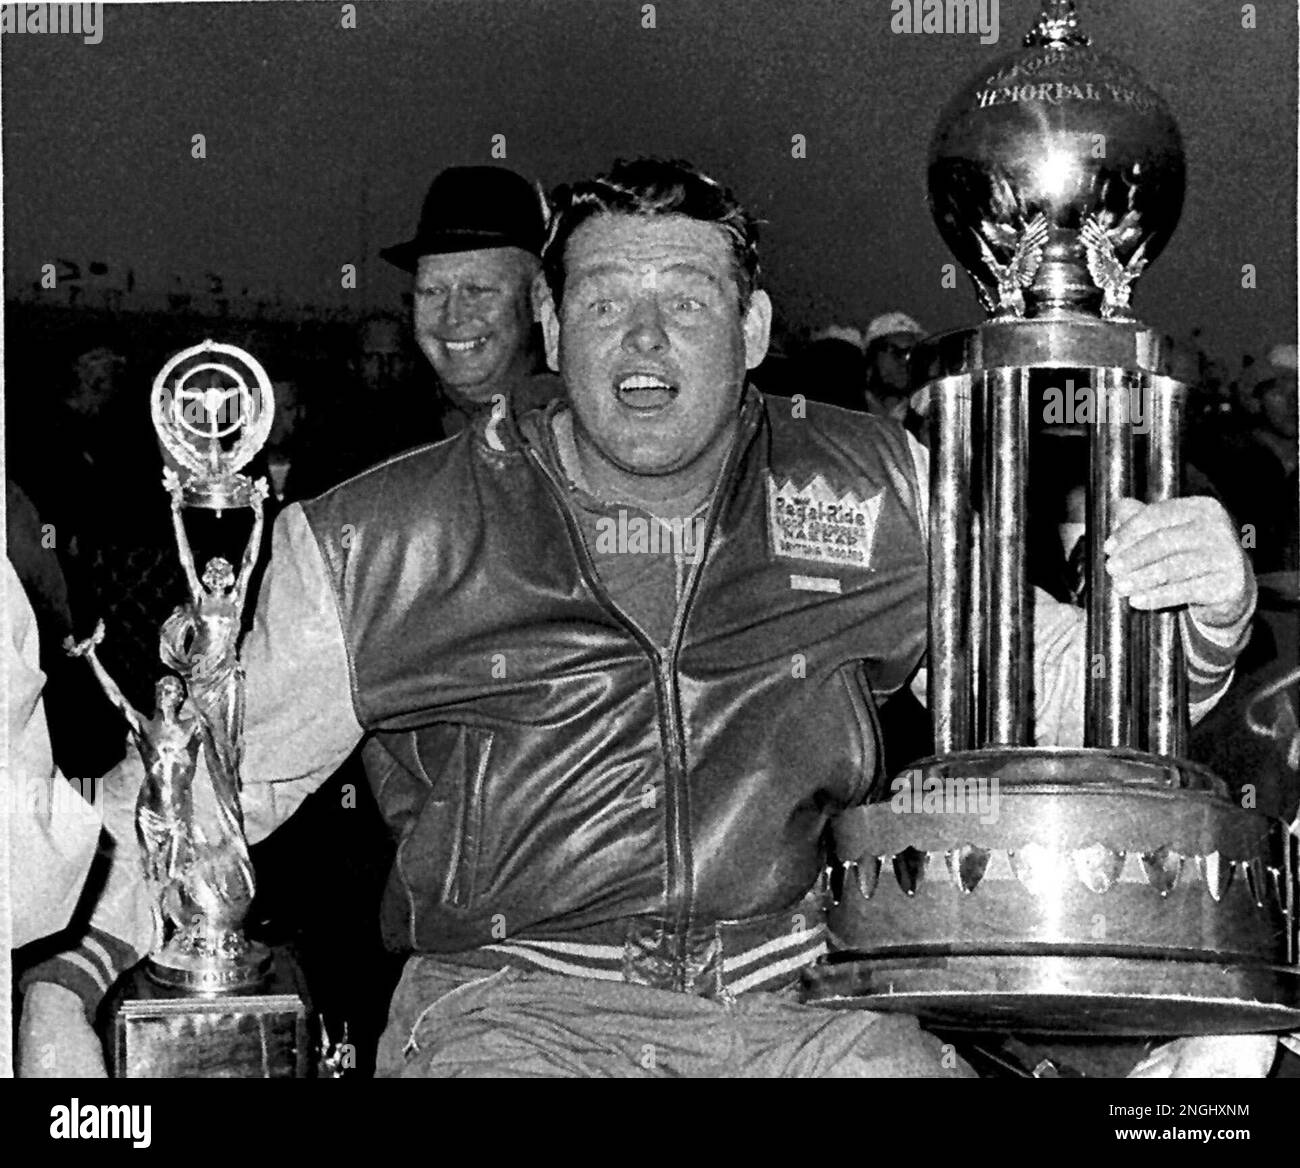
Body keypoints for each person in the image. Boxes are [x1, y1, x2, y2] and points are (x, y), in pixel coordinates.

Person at [19, 159, 1268, 1078]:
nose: (646, 335)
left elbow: (1060, 699)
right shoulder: (373, 537)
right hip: (512, 1013)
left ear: (755, 328)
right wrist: (69, 975)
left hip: (806, 1010)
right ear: (553, 327)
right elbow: (205, 787)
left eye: (687, 296)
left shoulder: (878, 482)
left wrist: (1202, 611)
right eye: (607, 300)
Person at [379, 165, 563, 437]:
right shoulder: (354, 438)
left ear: (539, 299)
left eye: (477, 290)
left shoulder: (589, 429)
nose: (452, 315)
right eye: (432, 291)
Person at [862, 310, 927, 437]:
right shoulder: (845, 409)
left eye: (911, 353)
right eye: (895, 351)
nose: (904, 362)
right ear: (872, 357)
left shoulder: (924, 419)